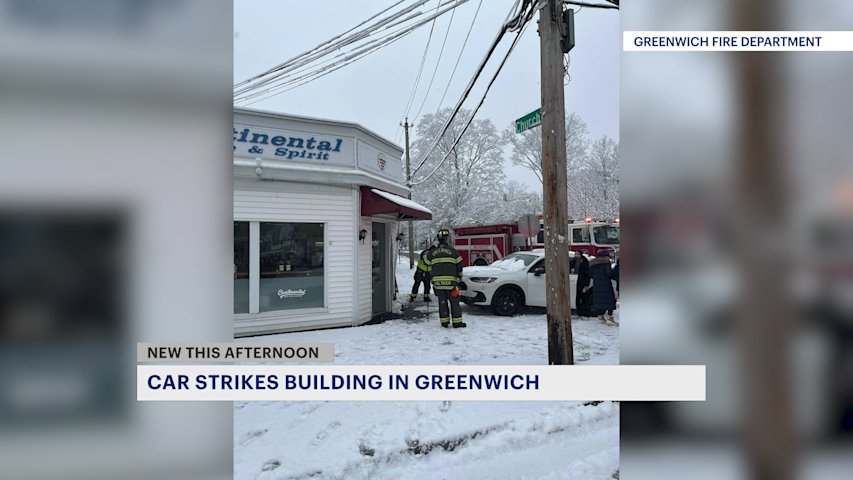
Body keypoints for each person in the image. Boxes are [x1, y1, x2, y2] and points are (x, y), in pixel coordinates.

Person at [425, 228, 466, 328]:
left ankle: (444, 322)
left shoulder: (433, 252)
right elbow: (459, 265)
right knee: (454, 302)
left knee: (442, 303)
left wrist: (428, 252)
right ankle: (457, 322)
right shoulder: (452, 251)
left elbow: (426, 262)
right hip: (451, 284)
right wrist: (459, 278)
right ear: (447, 239)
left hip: (438, 284)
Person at [585, 250, 618, 325]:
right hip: (606, 285)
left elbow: (591, 275)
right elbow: (609, 273)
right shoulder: (606, 263)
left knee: (600, 301)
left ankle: (600, 316)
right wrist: (615, 270)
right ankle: (610, 318)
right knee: (610, 301)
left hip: (597, 285)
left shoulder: (593, 263)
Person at [575, 250, 595, 317]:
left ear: (581, 255)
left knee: (583, 297)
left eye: (578, 254)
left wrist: (586, 284)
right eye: (575, 254)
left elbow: (588, 275)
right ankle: (579, 311)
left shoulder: (585, 262)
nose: (576, 255)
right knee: (578, 297)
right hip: (576, 282)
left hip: (582, 283)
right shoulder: (573, 261)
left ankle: (584, 312)